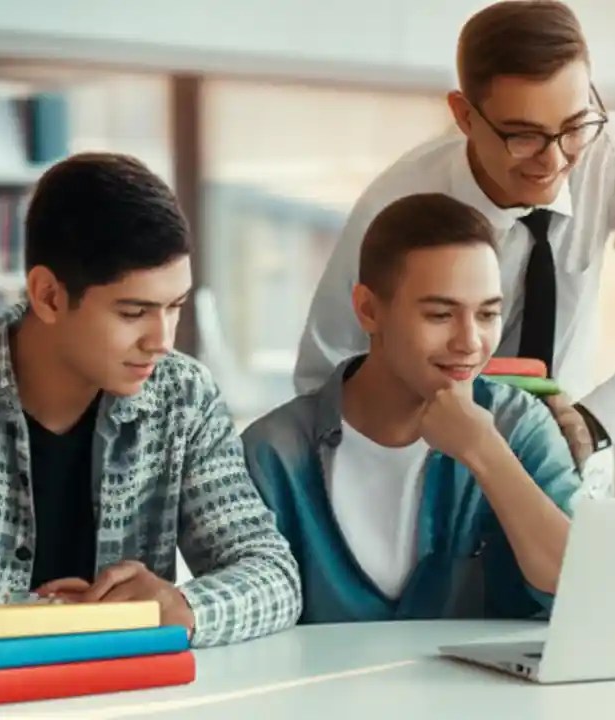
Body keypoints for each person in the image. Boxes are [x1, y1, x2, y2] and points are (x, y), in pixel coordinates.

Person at [0, 152, 302, 659]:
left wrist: (184, 609)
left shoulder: (184, 397)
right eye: (133, 312)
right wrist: (46, 617)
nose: (162, 340)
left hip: (129, 697)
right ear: (48, 296)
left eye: (175, 307)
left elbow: (274, 574)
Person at [292, 0, 615, 490]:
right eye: (523, 136)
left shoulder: (614, 154)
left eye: (574, 126)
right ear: (464, 116)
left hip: (569, 468)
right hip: (429, 481)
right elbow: (324, 379)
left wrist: (596, 420)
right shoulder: (400, 205)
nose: (554, 161)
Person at [241, 193, 582, 623]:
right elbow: (241, 611)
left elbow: (585, 590)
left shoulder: (519, 426)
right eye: (440, 315)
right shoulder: (273, 454)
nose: (470, 342)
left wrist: (485, 452)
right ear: (368, 310)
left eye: (487, 315)